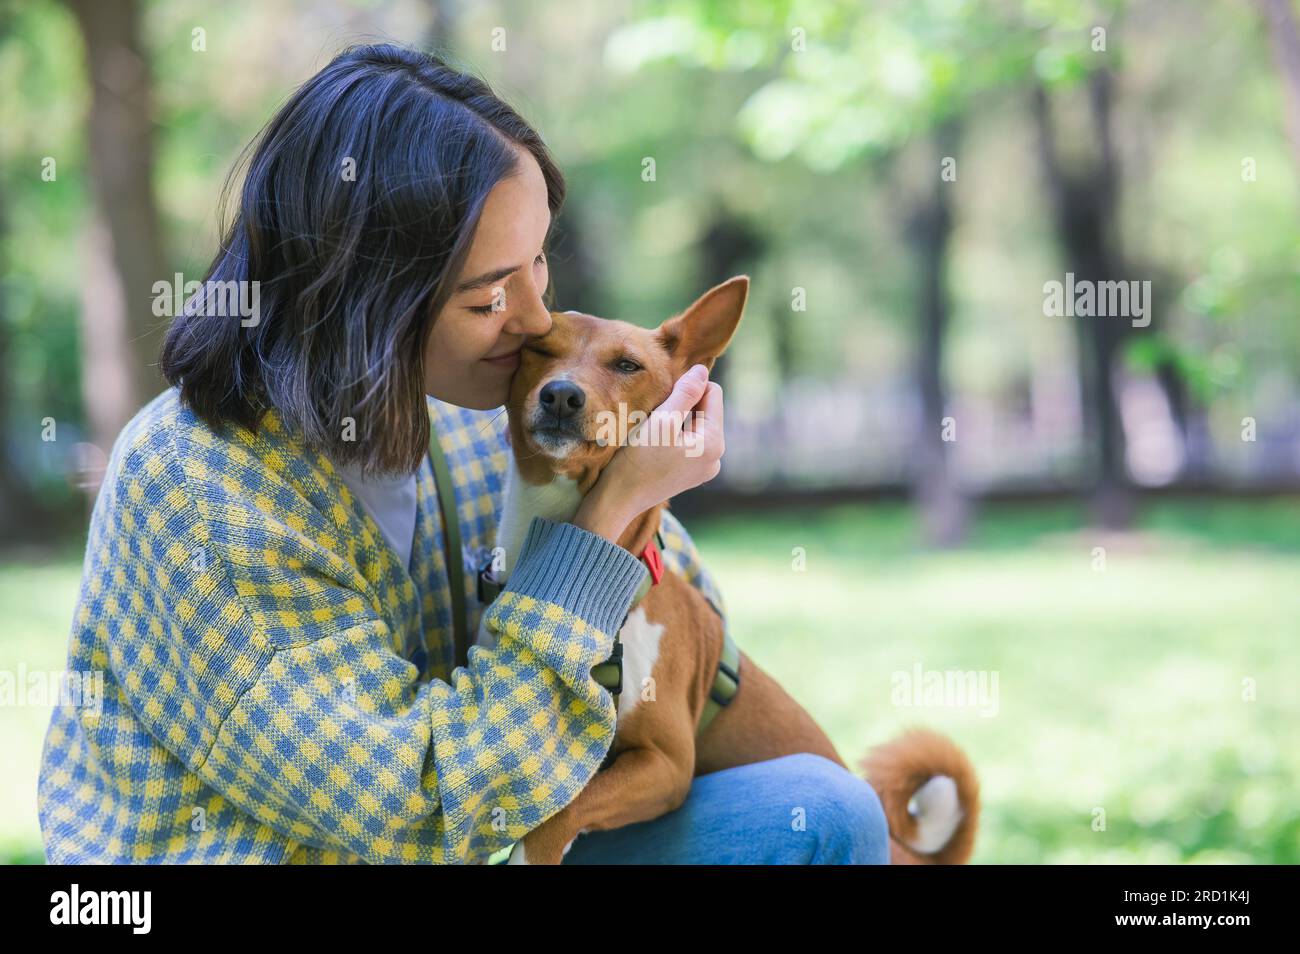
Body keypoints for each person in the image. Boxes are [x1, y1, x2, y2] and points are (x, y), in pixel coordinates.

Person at [37, 43, 888, 864]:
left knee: (820, 813)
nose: (533, 321)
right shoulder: (200, 492)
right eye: (489, 295)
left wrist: (637, 476)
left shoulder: (479, 411)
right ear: (371, 299)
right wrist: (608, 516)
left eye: (538, 266)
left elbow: (680, 629)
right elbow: (423, 806)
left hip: (483, 834)